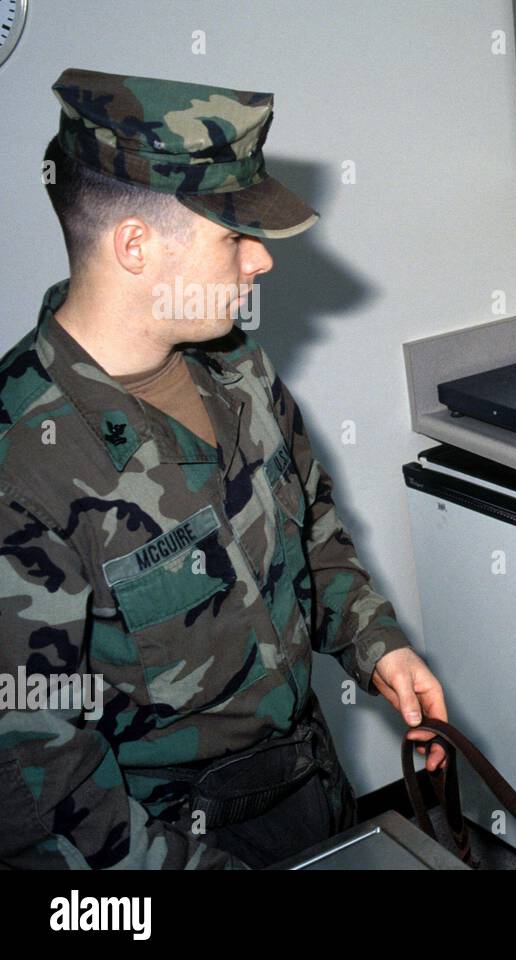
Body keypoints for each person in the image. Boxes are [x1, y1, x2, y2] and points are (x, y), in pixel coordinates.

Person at [0, 68, 446, 869]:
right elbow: (37, 780)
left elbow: (312, 529)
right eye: (233, 236)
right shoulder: (23, 463)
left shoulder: (236, 368)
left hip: (308, 791)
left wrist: (377, 644)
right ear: (135, 247)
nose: (261, 262)